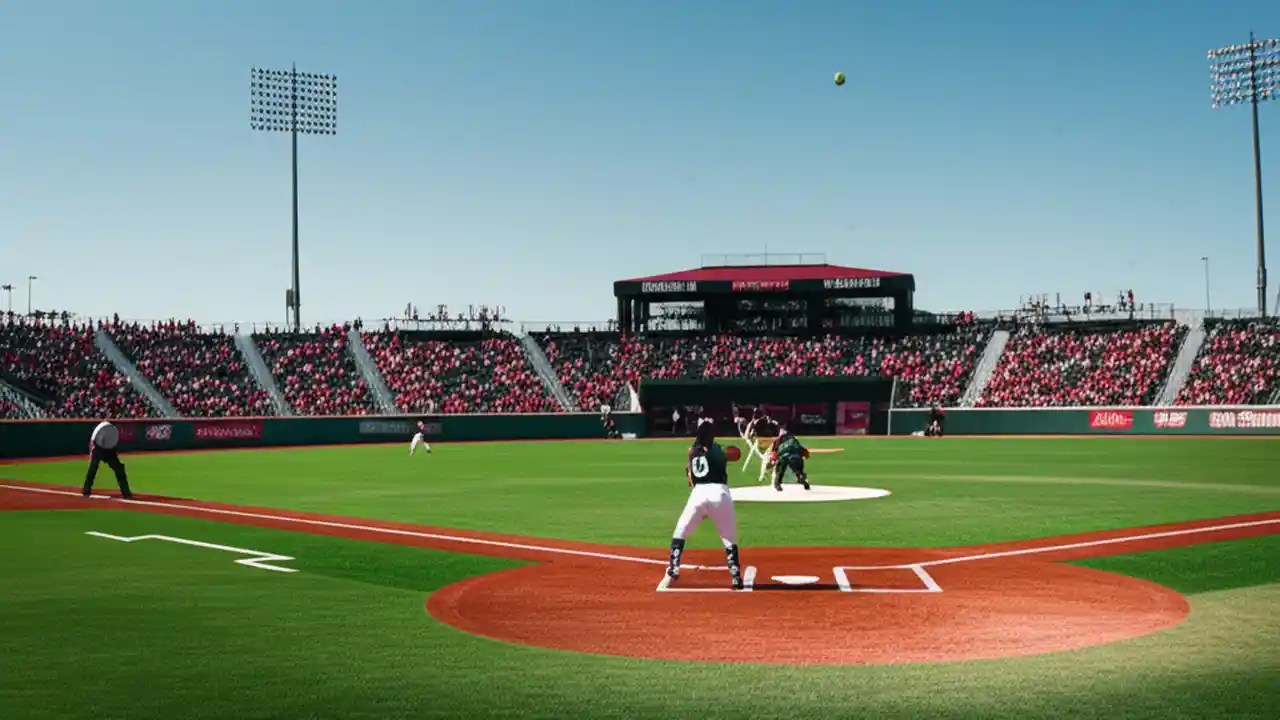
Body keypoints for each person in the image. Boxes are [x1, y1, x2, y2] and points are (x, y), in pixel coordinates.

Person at [666, 421, 744, 590]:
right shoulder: (718, 449)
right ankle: (736, 575)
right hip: (719, 493)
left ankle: (673, 566)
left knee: (681, 530)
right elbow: (736, 454)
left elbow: (689, 474)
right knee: (729, 538)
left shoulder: (692, 451)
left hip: (698, 494)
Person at [83, 420, 132, 499]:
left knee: (119, 468)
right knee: (93, 468)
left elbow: (113, 444)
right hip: (98, 448)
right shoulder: (100, 431)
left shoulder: (112, 431)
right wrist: (92, 454)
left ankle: (126, 492)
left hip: (109, 449)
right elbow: (92, 443)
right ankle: (86, 490)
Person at [769, 426, 811, 492]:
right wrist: (806, 456)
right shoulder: (794, 440)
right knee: (799, 471)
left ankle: (777, 484)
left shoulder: (777, 440)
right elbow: (803, 450)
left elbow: (774, 451)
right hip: (795, 457)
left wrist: (773, 460)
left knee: (780, 470)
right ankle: (801, 479)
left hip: (783, 457)